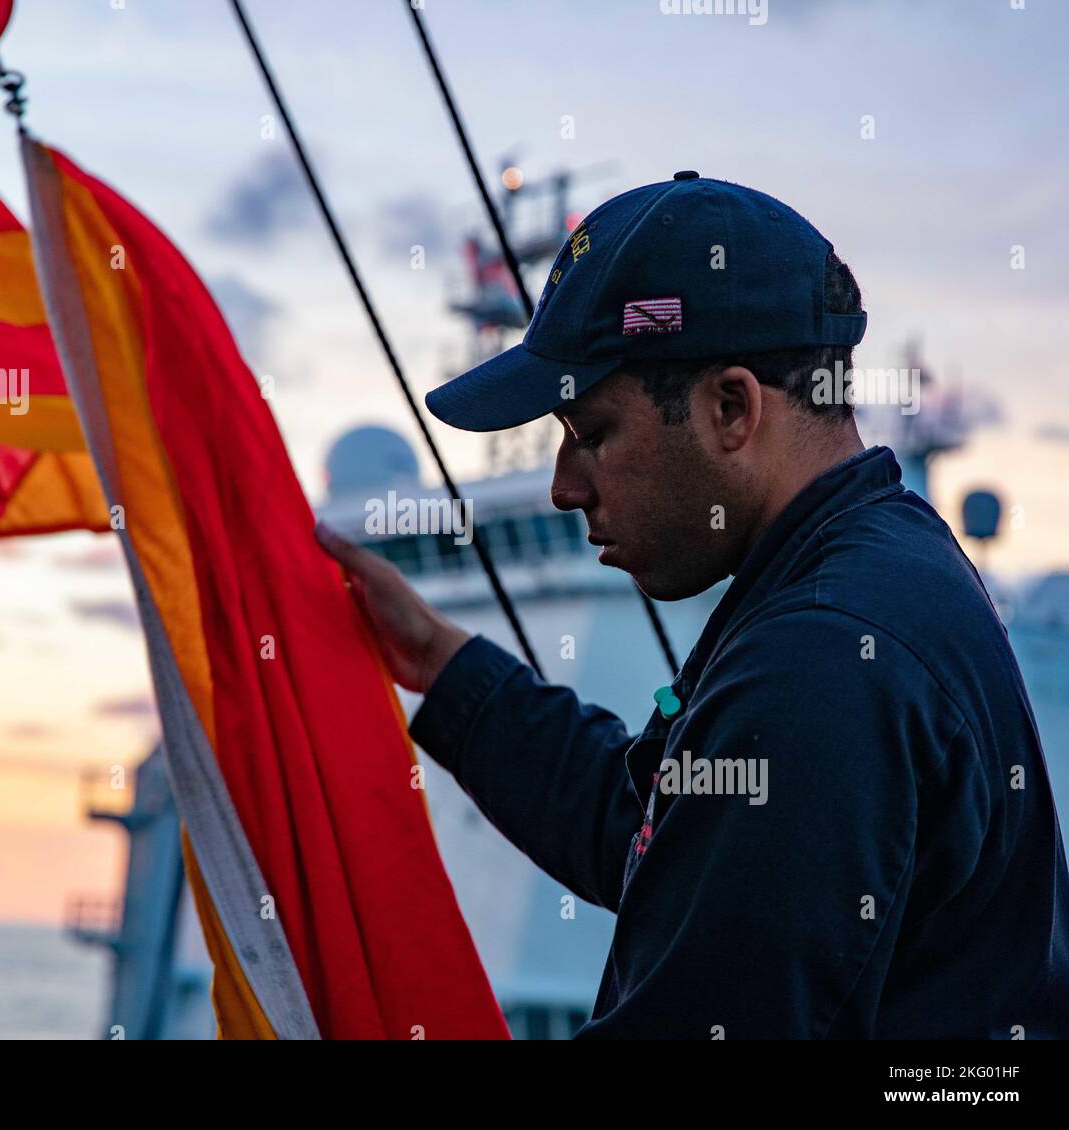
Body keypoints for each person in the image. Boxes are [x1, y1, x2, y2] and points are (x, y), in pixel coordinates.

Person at [314, 173, 1069, 1039]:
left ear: (731, 408)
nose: (564, 487)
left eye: (593, 434)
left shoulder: (820, 661)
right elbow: (665, 833)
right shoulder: (877, 567)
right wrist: (443, 662)